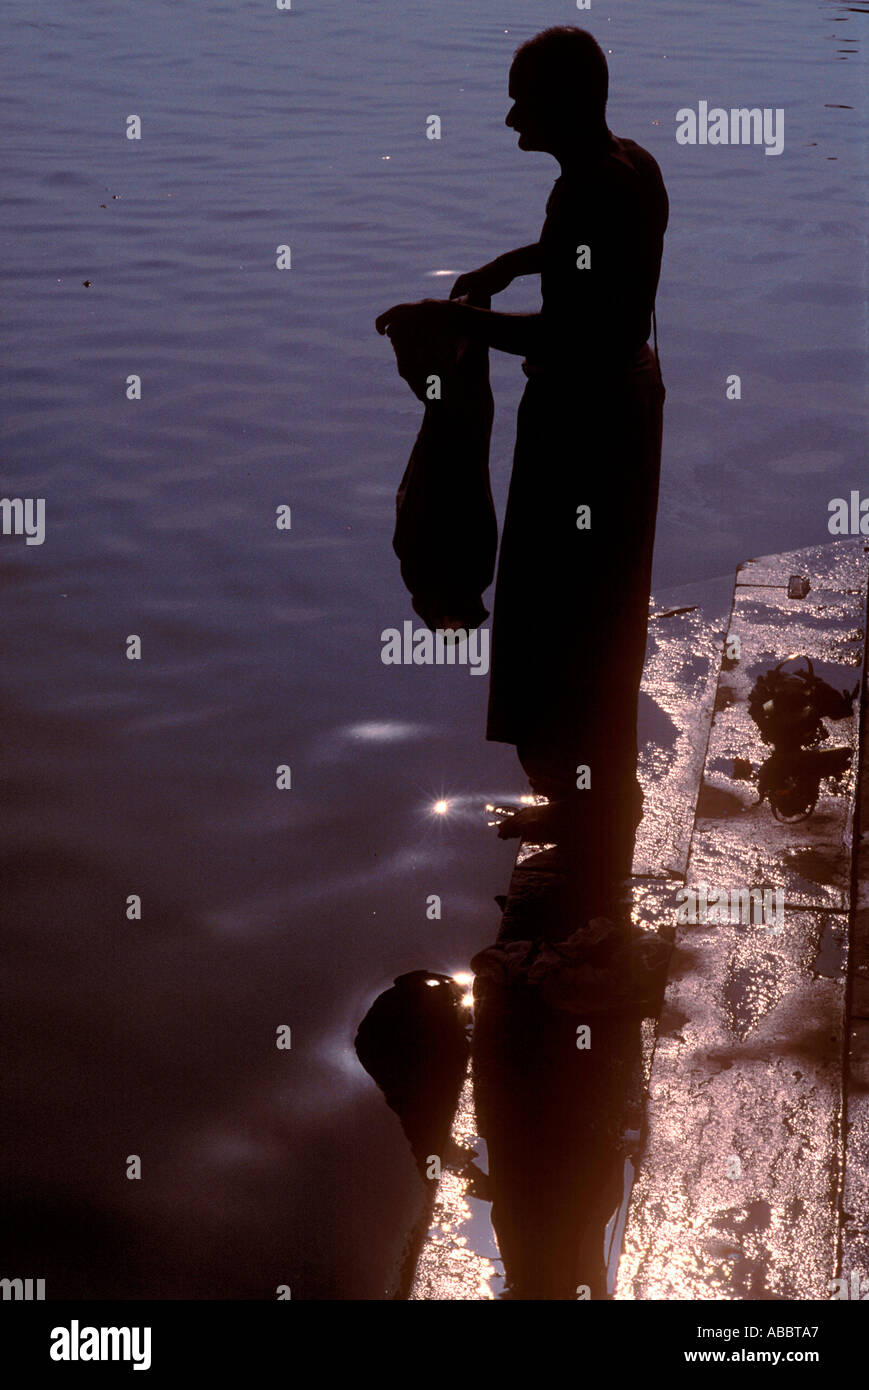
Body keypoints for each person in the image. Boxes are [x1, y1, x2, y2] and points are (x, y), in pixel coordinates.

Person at [376, 26, 668, 924]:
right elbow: (589, 268)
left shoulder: (588, 190)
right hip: (618, 409)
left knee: (564, 616)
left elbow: (573, 331)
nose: (509, 119)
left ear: (567, 102)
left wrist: (450, 319)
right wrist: (512, 263)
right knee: (581, 611)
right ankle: (583, 796)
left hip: (587, 427)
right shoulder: (628, 168)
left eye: (522, 100)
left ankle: (589, 821)